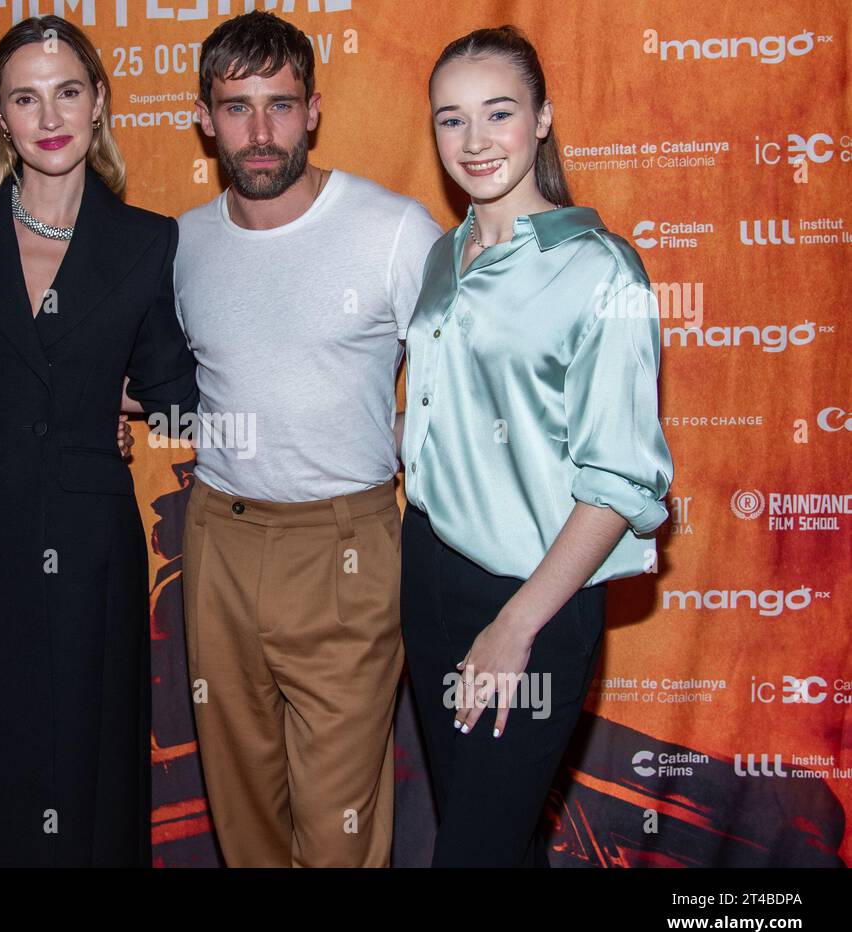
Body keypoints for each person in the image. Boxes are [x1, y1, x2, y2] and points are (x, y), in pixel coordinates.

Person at [0, 15, 198, 867]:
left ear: (99, 102)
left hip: (86, 546)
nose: (50, 115)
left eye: (68, 92)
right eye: (26, 97)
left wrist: (108, 403)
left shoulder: (146, 241)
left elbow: (174, 397)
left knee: (76, 758)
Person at [171, 11, 443, 867]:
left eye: (280, 105)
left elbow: (467, 385)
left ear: (315, 109)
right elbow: (165, 379)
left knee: (340, 830)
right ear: (205, 117)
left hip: (346, 547)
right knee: (243, 817)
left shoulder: (395, 231)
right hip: (217, 539)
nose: (260, 132)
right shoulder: (178, 245)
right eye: (237, 106)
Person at [398, 25, 674, 866]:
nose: (474, 142)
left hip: (536, 599)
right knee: (487, 840)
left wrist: (516, 624)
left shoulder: (602, 270)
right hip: (431, 575)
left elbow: (621, 482)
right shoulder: (447, 256)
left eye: (499, 113)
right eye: (451, 120)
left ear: (544, 118)